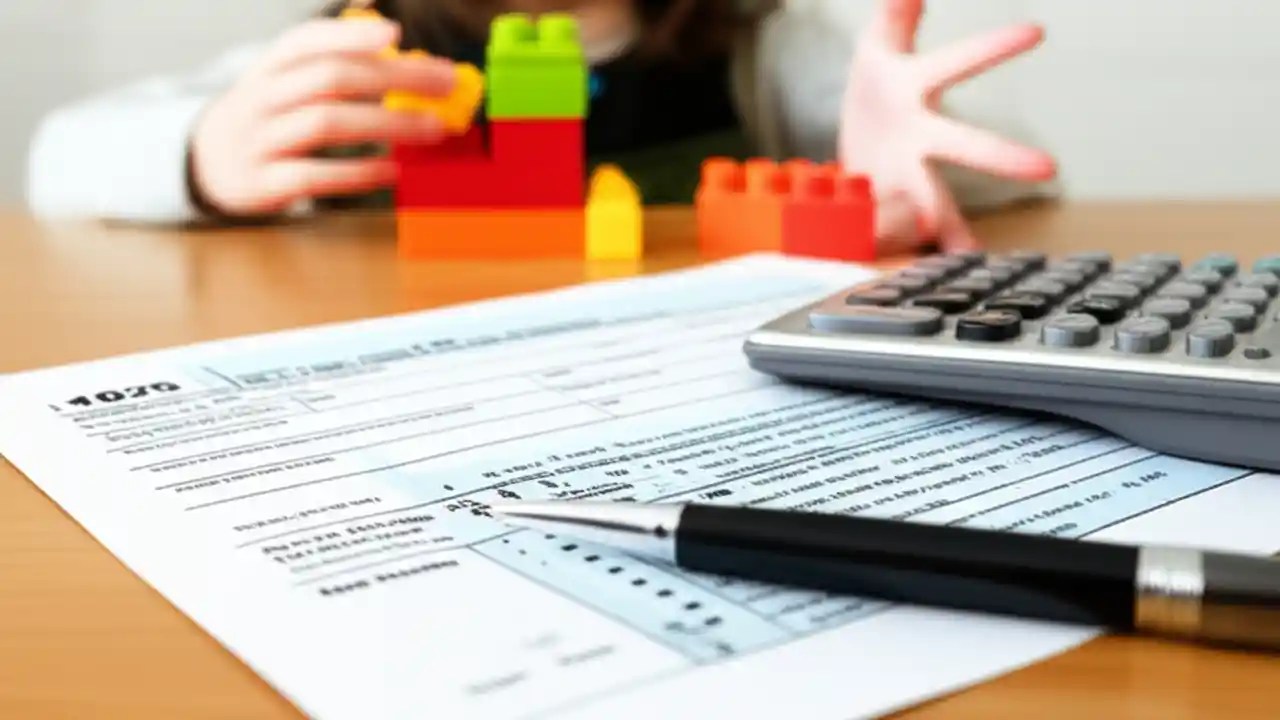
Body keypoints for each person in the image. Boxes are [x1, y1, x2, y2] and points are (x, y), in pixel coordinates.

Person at [24, 0, 1057, 250]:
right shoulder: (365, 48)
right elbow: (57, 158)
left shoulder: (757, 46)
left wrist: (899, 160)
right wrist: (202, 155)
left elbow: (978, 178)